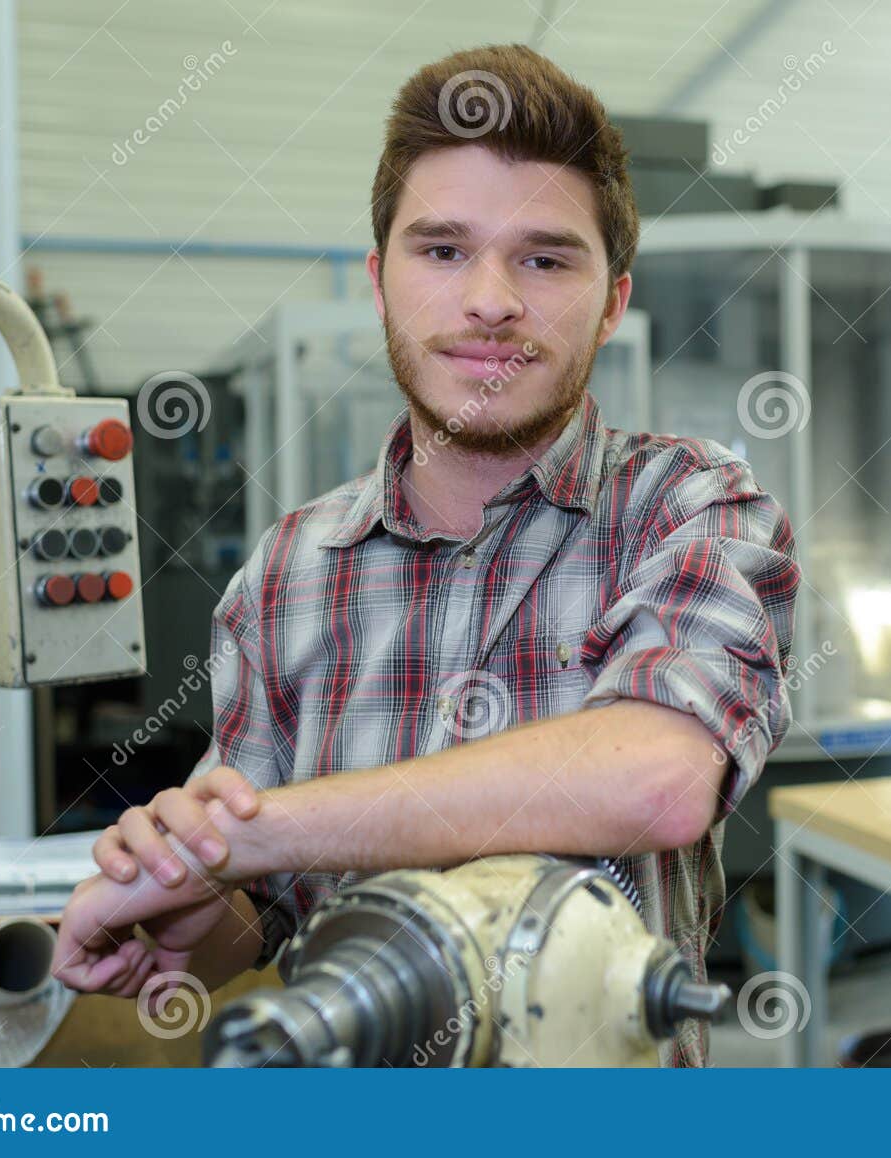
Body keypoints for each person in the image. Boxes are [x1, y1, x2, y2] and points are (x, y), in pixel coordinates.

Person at [50, 43, 799, 1069]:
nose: (490, 299)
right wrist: (194, 924)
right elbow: (255, 916)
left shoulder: (690, 507)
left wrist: (248, 836)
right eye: (442, 250)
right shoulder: (286, 571)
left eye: (544, 258)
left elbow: (655, 779)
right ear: (379, 281)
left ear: (614, 300)